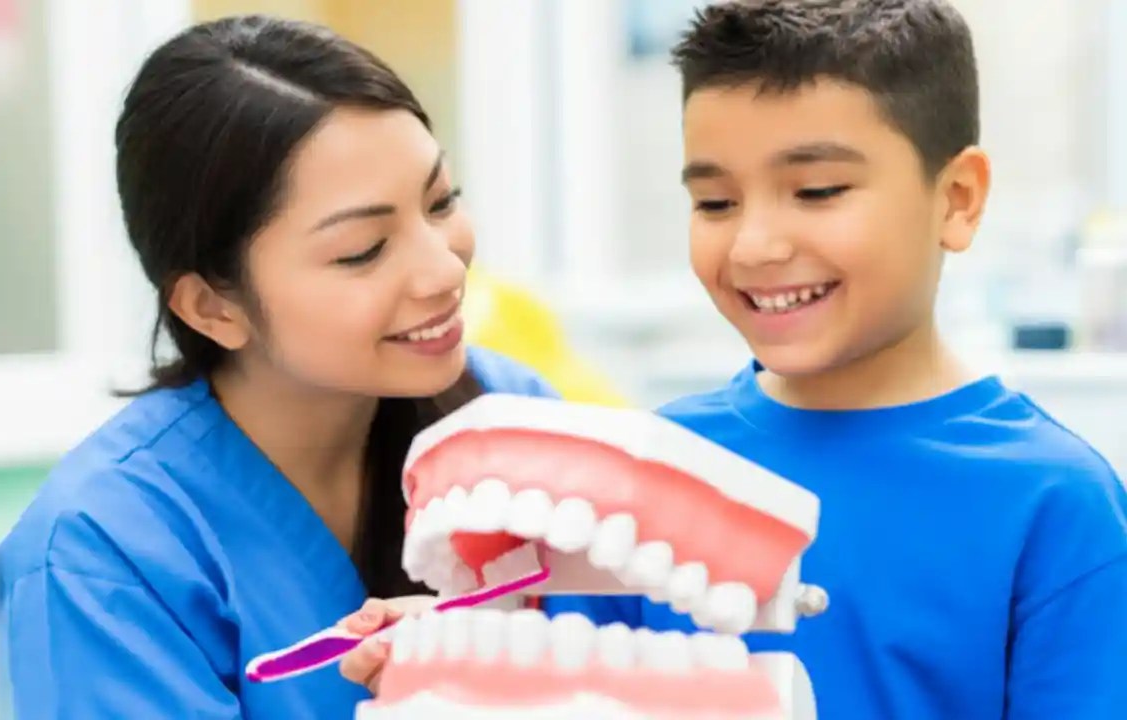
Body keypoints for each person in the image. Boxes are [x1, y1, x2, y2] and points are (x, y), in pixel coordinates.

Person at [343, 2, 1127, 718]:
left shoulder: (1056, 504)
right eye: (715, 203)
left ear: (956, 199)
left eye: (817, 190)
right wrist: (460, 657)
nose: (754, 246)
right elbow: (575, 684)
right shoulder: (648, 476)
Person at [0, 15, 559, 719]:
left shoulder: (513, 426)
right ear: (212, 307)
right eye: (362, 249)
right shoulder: (101, 554)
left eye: (441, 203)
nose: (444, 269)